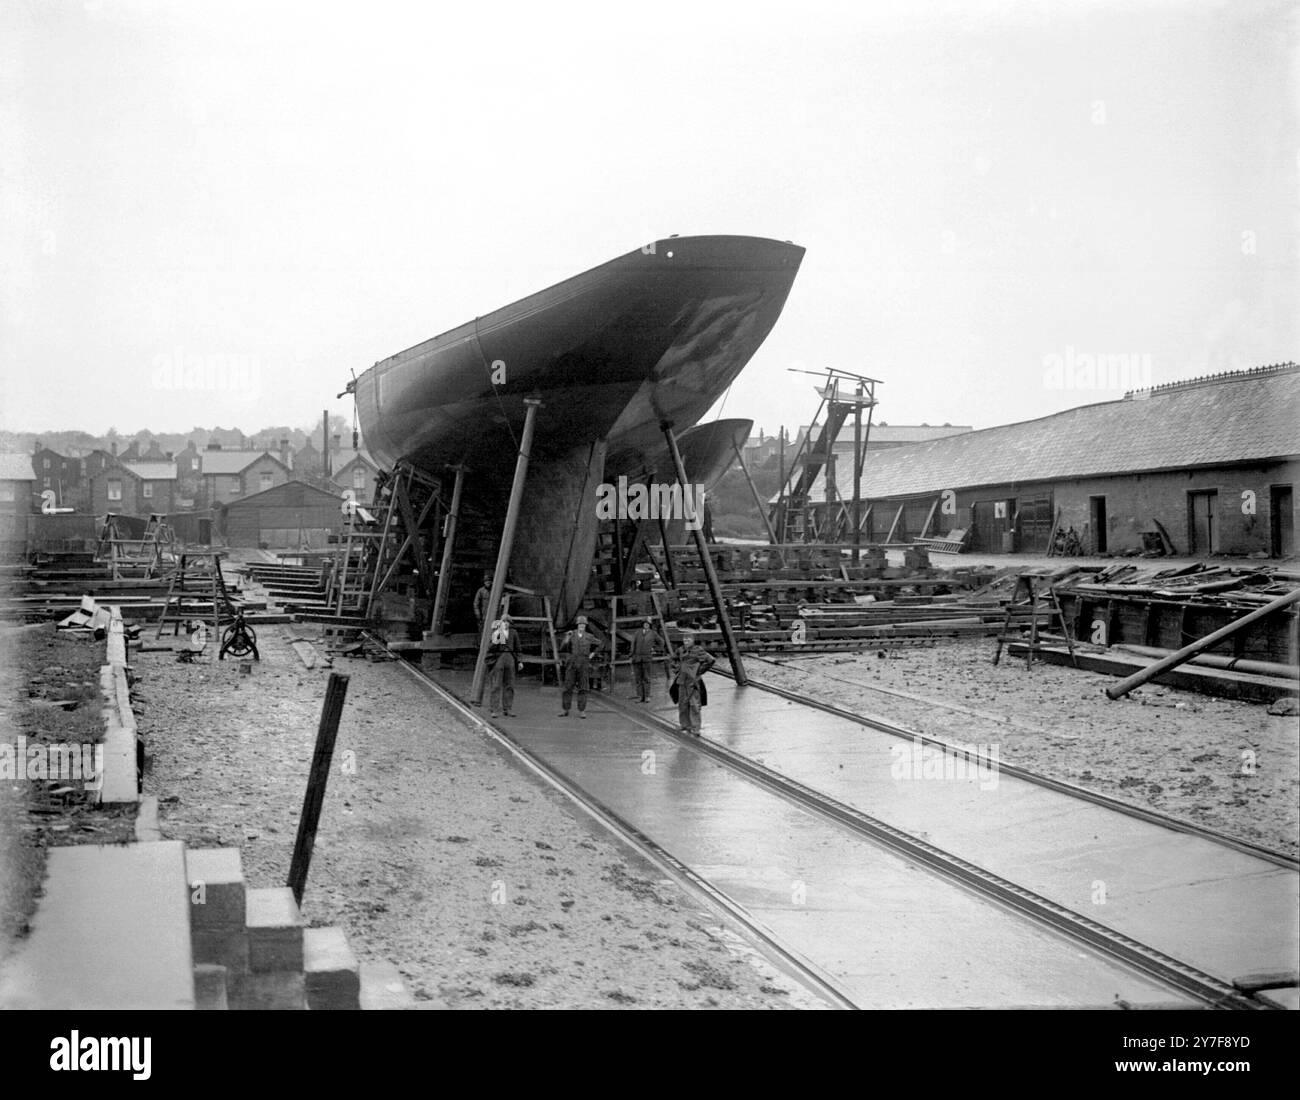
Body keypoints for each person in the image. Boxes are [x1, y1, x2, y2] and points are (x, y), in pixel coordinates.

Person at [671, 632, 715, 736]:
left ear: (693, 640)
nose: (686, 642)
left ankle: (696, 728)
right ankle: (684, 725)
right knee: (682, 704)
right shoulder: (680, 650)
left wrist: (699, 671)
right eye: (685, 640)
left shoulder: (698, 650)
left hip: (693, 682)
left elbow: (711, 660)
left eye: (688, 640)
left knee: (694, 704)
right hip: (682, 680)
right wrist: (677, 669)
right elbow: (673, 659)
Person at [558, 614, 601, 719]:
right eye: (580, 624)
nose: (581, 626)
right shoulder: (571, 634)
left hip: (584, 663)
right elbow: (562, 647)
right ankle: (566, 709)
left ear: (585, 626)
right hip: (572, 662)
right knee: (568, 686)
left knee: (583, 687)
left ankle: (582, 710)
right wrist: (567, 638)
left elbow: (600, 643)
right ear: (577, 625)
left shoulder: (589, 637)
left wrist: (593, 654)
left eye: (583, 625)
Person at [486, 614, 523, 718]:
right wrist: (497, 636)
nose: (506, 624)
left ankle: (508, 708)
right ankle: (494, 709)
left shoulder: (514, 633)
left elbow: (518, 648)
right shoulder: (497, 632)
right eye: (504, 622)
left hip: (510, 658)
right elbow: (491, 647)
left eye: (507, 622)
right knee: (496, 684)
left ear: (510, 624)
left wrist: (519, 661)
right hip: (499, 658)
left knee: (510, 684)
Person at [629, 618, 660, 703]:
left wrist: (655, 649)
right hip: (637, 658)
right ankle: (640, 696)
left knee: (646, 678)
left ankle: (647, 696)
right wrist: (631, 655)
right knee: (638, 679)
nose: (646, 625)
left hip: (647, 658)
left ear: (650, 625)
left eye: (648, 623)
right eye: (645, 623)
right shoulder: (637, 632)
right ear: (642, 624)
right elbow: (633, 644)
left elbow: (661, 642)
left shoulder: (653, 633)